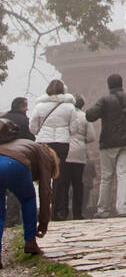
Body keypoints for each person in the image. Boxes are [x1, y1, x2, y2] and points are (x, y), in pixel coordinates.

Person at [0, 118, 58, 267]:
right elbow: (45, 192)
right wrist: (43, 224)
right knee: (28, 199)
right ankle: (30, 242)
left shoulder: (15, 143)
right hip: (15, 164)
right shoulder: (44, 154)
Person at [85, 75, 126, 217]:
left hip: (108, 143)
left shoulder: (105, 100)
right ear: (121, 84)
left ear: (109, 85)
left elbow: (90, 115)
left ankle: (103, 209)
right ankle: (123, 208)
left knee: (107, 176)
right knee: (123, 173)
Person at [31, 80, 77, 220]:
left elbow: (33, 128)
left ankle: (44, 210)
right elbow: (74, 129)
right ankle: (58, 210)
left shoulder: (39, 106)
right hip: (62, 142)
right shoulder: (69, 107)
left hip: (44, 142)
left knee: (44, 176)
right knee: (59, 176)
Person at [65, 98, 96, 221]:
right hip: (79, 152)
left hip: (65, 151)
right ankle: (78, 213)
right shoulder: (84, 117)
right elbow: (91, 136)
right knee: (78, 184)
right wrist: (81, 140)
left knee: (64, 183)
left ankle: (62, 211)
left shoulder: (64, 116)